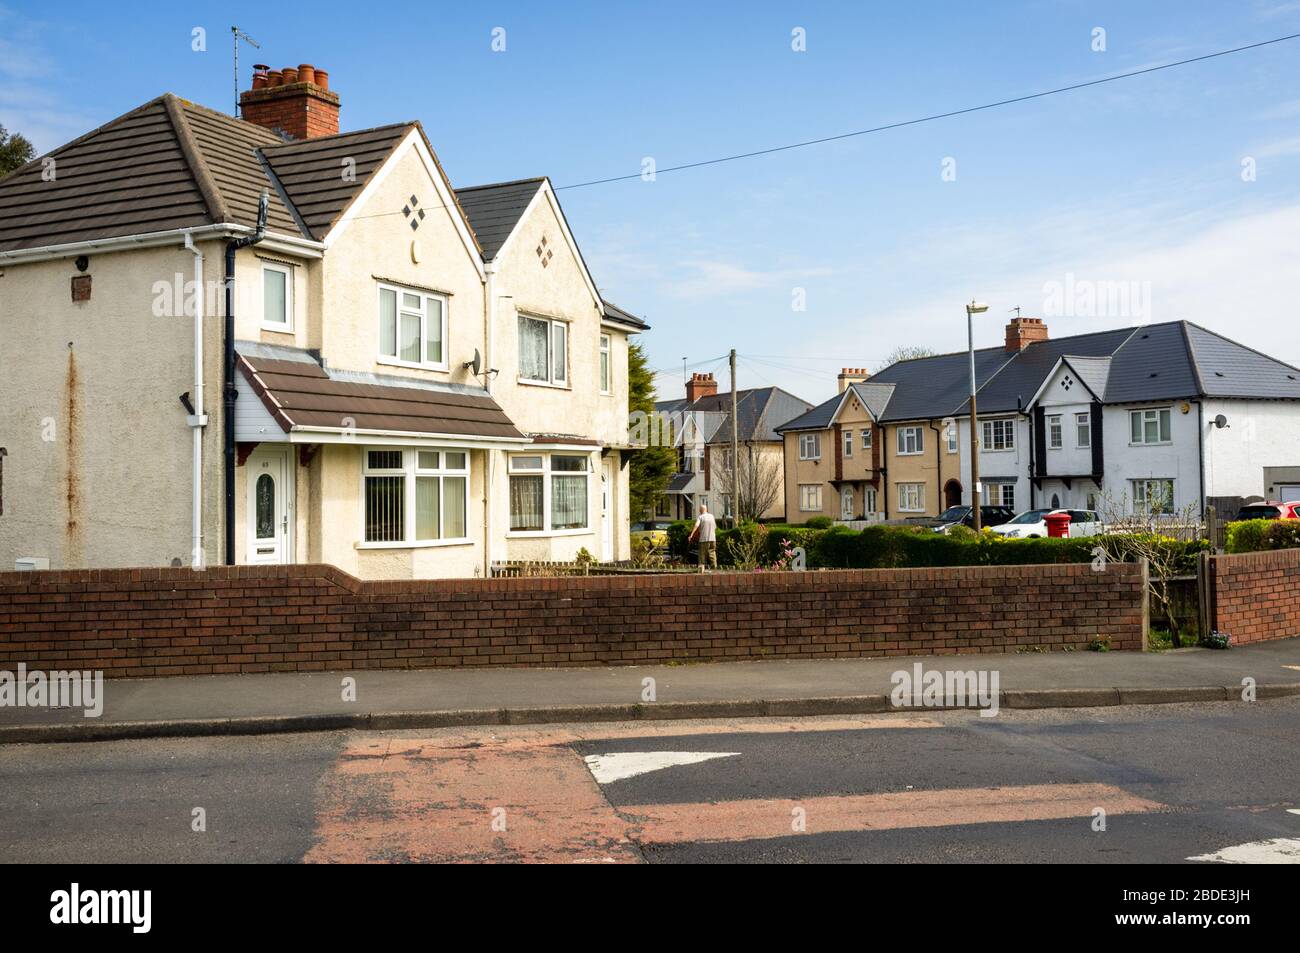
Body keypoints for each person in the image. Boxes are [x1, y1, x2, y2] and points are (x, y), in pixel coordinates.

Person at [689, 502, 718, 569]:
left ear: (700, 510)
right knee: (712, 553)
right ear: (706, 509)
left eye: (699, 510)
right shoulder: (712, 516)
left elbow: (696, 526)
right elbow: (715, 527)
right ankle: (714, 568)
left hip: (703, 539)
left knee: (702, 555)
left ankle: (701, 568)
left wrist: (691, 534)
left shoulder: (700, 517)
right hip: (713, 539)